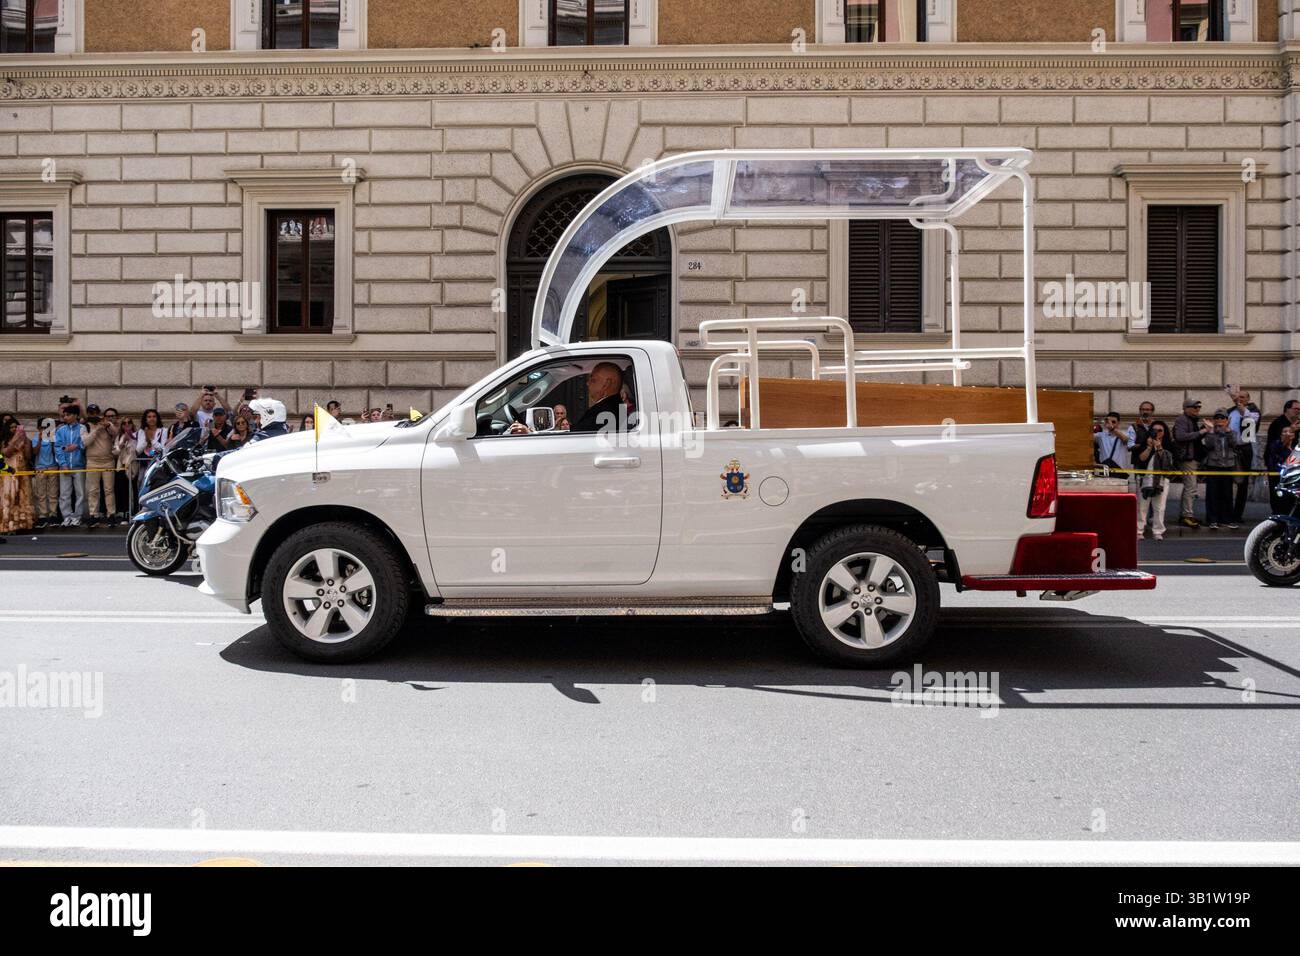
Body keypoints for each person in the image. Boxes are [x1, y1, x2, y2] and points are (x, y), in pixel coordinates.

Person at [508, 362, 630, 436]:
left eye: (593, 379)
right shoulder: (611, 407)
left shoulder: (608, 412)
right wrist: (534, 433)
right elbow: (573, 433)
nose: (587, 383)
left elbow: (573, 437)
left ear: (606, 384)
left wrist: (531, 435)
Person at [1173, 398, 1211, 528]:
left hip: (1192, 457)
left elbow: (1194, 438)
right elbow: (1181, 436)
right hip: (1186, 458)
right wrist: (1202, 431)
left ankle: (1186, 514)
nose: (1197, 410)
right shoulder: (1182, 420)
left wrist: (1203, 430)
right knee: (1190, 487)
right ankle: (1187, 516)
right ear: (1186, 408)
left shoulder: (1192, 420)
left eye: (1199, 407)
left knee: (1190, 487)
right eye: (1195, 407)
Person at [1201, 409, 1240, 530]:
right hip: (1213, 465)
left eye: (1222, 418)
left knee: (1227, 493)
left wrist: (1227, 432)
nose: (1219, 421)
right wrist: (1212, 431)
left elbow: (1234, 444)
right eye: (1217, 418)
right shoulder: (1210, 432)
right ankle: (1212, 519)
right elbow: (1209, 445)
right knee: (1212, 493)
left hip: (1228, 465)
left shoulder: (1231, 432)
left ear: (1227, 420)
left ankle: (1227, 519)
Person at [1226, 388, 1261, 524]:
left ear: (1247, 399)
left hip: (1244, 448)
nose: (1239, 399)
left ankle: (1237, 514)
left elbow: (1248, 421)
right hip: (1230, 448)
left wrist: (1236, 402)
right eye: (1237, 397)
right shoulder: (1230, 411)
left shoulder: (1253, 412)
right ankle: (1226, 512)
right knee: (1227, 481)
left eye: (1242, 397)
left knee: (1243, 484)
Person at [1134, 420, 1174, 540]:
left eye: (1160, 430)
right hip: (1144, 478)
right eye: (1154, 430)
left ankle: (1158, 531)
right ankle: (1139, 530)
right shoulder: (1144, 442)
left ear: (1164, 432)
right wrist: (1149, 447)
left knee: (1159, 507)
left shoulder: (1168, 445)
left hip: (1161, 480)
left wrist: (1159, 447)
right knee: (1142, 506)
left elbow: (1167, 465)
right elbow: (1141, 459)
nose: (1157, 432)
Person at [83, 403, 120, 529]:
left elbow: (116, 433)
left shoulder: (107, 425)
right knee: (93, 490)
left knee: (109, 490)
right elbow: (85, 442)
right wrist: (96, 429)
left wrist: (107, 424)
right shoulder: (85, 426)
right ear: (88, 414)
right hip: (92, 461)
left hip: (108, 460)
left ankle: (111, 515)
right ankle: (93, 515)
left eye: (95, 412)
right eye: (91, 413)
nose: (93, 415)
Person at [54, 405, 88, 526]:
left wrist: (77, 446)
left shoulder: (82, 428)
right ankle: (66, 516)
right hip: (65, 467)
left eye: (68, 415)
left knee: (81, 493)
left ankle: (77, 516)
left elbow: (85, 443)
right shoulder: (60, 430)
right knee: (64, 493)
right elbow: (58, 448)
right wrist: (63, 465)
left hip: (79, 466)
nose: (66, 417)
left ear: (75, 416)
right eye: (64, 415)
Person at [0, 414, 35, 534]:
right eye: (11, 427)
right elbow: (7, 453)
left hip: (22, 471)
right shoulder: (4, 440)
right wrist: (14, 440)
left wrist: (25, 440)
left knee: (23, 498)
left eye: (16, 427)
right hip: (10, 472)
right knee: (10, 498)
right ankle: (8, 525)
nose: (14, 429)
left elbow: (28, 455)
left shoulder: (23, 439)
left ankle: (22, 524)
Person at [30, 415, 59, 529]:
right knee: (41, 493)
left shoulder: (54, 438)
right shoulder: (36, 439)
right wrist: (41, 440)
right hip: (40, 467)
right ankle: (42, 515)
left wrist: (51, 439)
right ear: (38, 428)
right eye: (43, 427)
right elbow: (35, 452)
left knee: (53, 492)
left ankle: (53, 514)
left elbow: (56, 452)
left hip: (52, 466)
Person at [1265, 424, 1296, 507]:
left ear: (1293, 435)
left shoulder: (1295, 447)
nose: (1287, 434)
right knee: (1278, 498)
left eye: (1290, 432)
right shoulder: (1276, 445)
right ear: (1281, 434)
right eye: (1285, 432)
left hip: (1293, 477)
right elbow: (1275, 459)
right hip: (1278, 476)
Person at [114, 415, 138, 518]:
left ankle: (135, 510)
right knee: (123, 490)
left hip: (133, 466)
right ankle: (125, 512)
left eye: (129, 423)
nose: (127, 425)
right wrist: (122, 443)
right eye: (124, 423)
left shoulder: (137, 435)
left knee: (134, 489)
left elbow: (137, 450)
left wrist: (130, 439)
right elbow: (115, 452)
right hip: (122, 465)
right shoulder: (119, 436)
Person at [136, 409, 167, 475]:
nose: (152, 419)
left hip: (158, 465)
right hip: (144, 465)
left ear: (157, 418)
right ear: (145, 419)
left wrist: (152, 439)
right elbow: (138, 450)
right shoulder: (141, 432)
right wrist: (146, 439)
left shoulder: (163, 431)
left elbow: (163, 449)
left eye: (154, 416)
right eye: (149, 417)